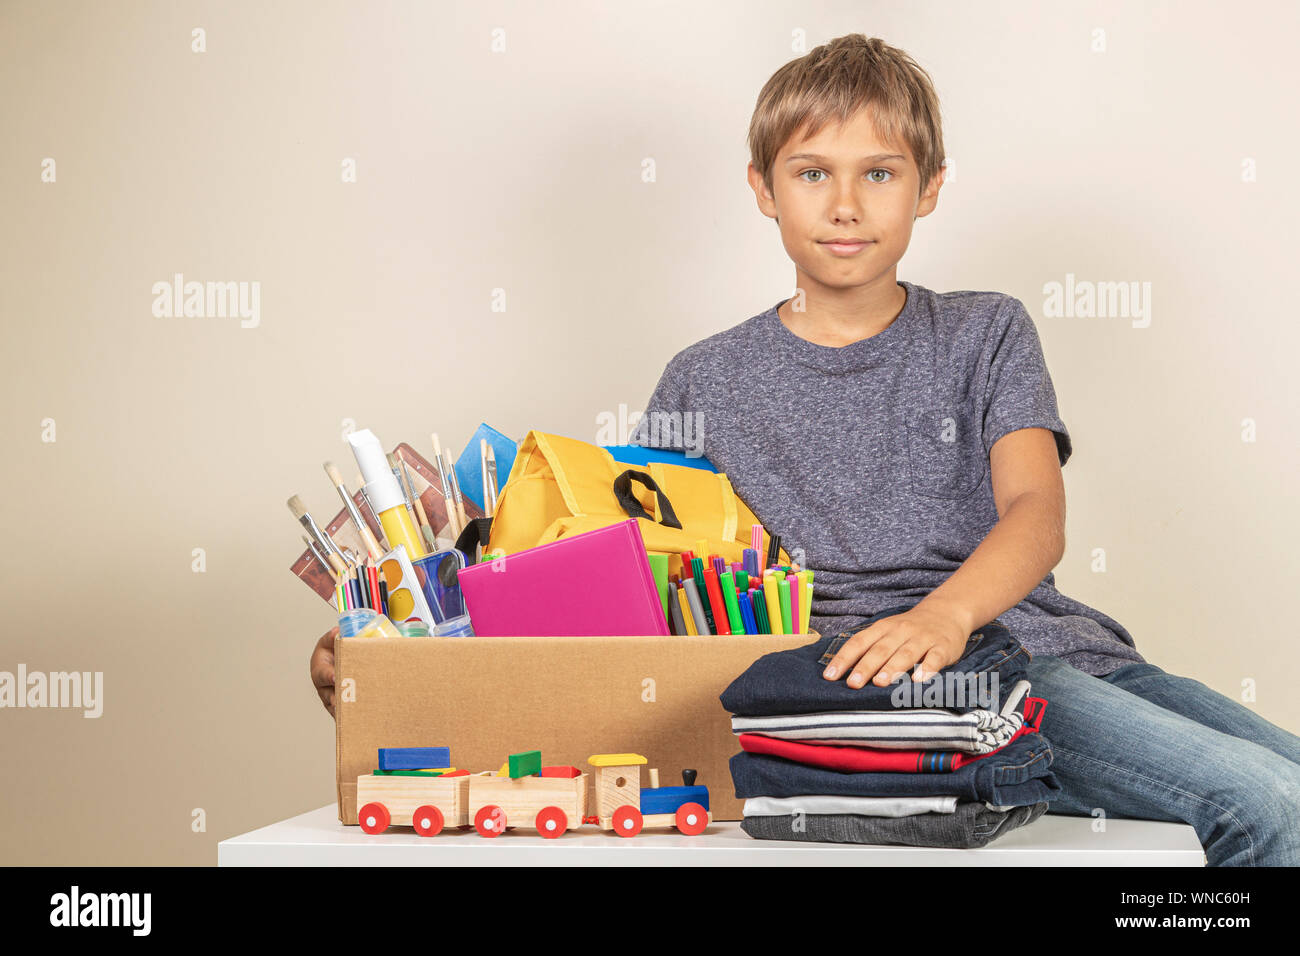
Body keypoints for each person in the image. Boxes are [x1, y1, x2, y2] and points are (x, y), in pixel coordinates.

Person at [625, 33, 1300, 865]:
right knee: (1267, 806)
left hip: (1058, 648)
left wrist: (949, 610)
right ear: (763, 188)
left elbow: (1036, 512)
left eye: (879, 173)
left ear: (929, 188)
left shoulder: (986, 331)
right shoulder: (701, 380)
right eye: (811, 173)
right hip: (949, 692)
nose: (845, 205)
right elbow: (643, 564)